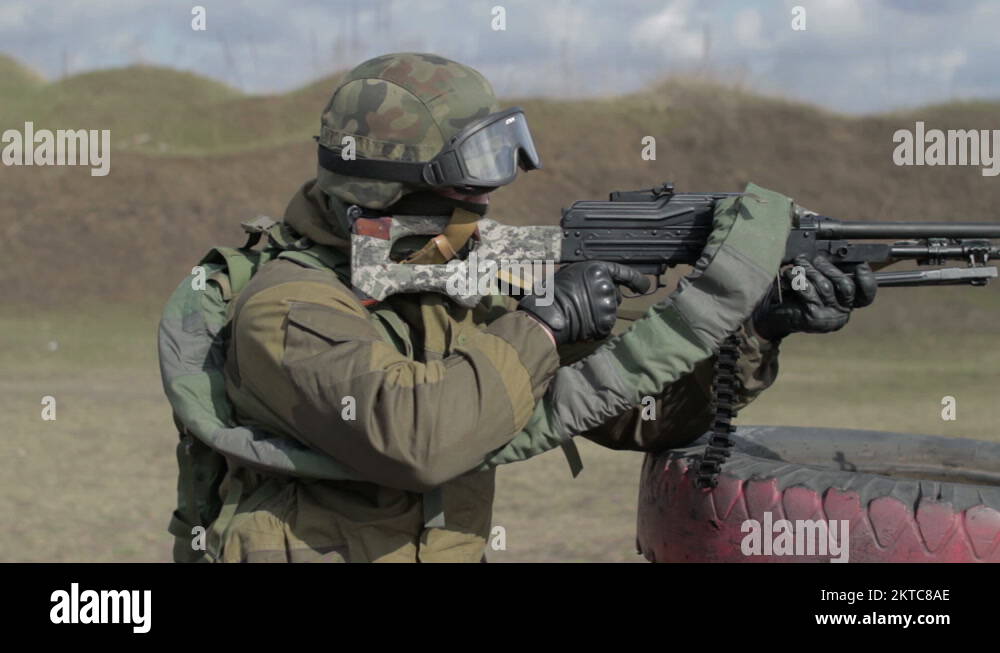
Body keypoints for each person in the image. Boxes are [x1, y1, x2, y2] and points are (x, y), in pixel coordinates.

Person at [215, 52, 875, 562]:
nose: (487, 202)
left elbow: (634, 412)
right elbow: (419, 439)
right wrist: (543, 325)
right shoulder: (286, 306)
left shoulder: (449, 272)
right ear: (385, 189)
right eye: (467, 182)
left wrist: (753, 330)